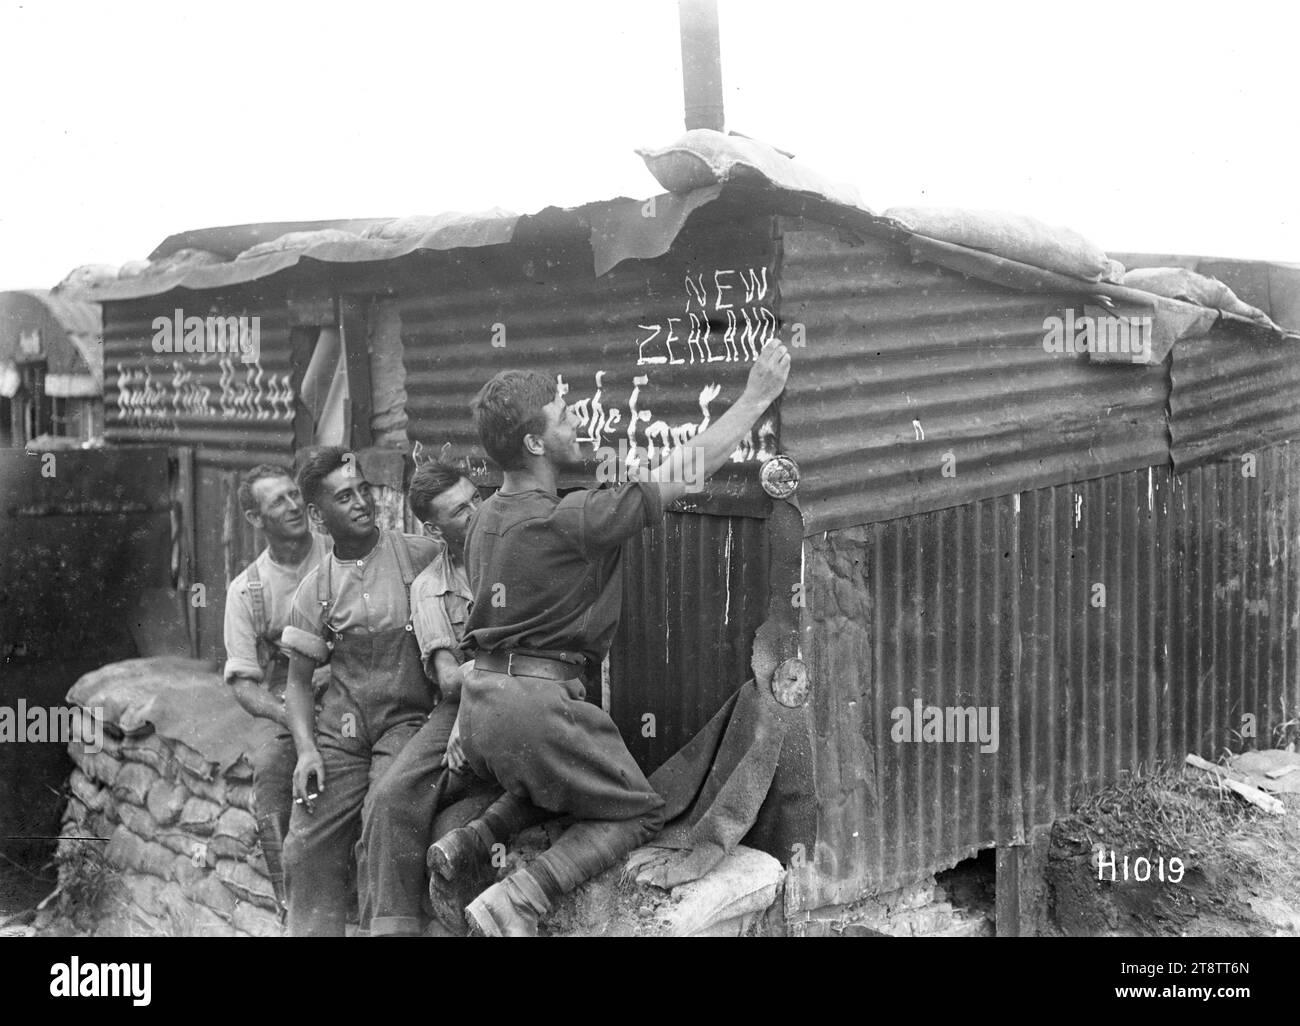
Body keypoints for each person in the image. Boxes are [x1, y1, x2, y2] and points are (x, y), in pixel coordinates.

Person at [442, 338, 791, 935]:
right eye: (562, 412)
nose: (578, 419)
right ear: (533, 443)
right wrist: (756, 395)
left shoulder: (483, 521)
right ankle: (517, 903)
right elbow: (683, 470)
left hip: (483, 708)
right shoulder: (571, 517)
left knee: (559, 784)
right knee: (636, 814)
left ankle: (470, 841)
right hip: (537, 709)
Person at [277, 447, 439, 936]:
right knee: (306, 838)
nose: (361, 503)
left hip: (406, 720)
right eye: (344, 497)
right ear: (316, 515)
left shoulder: (419, 555)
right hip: (342, 730)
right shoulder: (316, 589)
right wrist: (306, 751)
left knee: (384, 816)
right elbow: (298, 686)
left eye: (363, 491)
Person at [358, 458, 499, 936]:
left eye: (476, 498)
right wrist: (475, 686)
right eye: (461, 512)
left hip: (524, 695)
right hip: (461, 704)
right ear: (434, 529)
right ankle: (392, 929)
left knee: (458, 811)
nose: (478, 512)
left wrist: (478, 674)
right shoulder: (430, 587)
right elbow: (448, 680)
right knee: (392, 796)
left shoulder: (516, 553)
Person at [222, 464, 329, 912]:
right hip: (295, 694)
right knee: (270, 770)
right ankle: (292, 900)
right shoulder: (247, 590)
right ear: (255, 518)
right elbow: (245, 684)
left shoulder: (337, 550)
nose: (293, 506)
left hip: (358, 676)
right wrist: (291, 716)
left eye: (294, 495)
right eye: (278, 501)